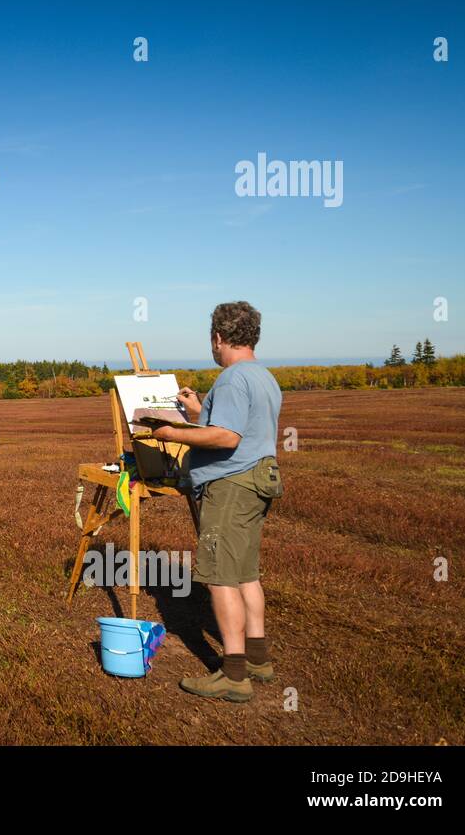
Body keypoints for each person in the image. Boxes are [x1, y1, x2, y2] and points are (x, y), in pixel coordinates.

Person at [150, 301, 283, 703]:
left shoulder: (231, 379)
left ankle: (234, 674)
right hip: (258, 481)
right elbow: (237, 424)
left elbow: (227, 437)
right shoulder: (263, 377)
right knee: (246, 573)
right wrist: (197, 411)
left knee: (220, 576)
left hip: (231, 486)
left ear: (218, 337)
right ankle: (258, 659)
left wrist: (172, 433)